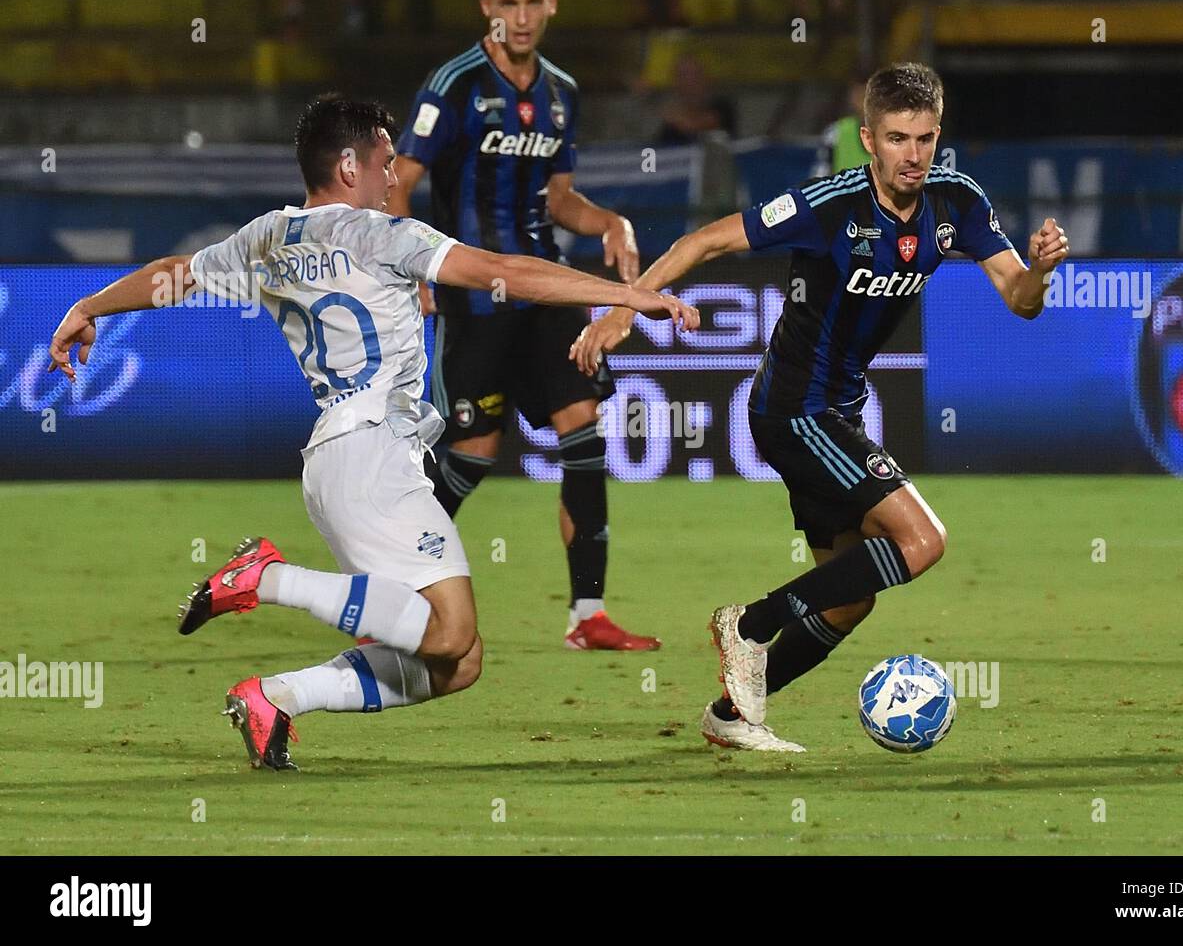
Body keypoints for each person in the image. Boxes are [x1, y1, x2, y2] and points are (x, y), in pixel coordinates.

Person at [46, 95, 696, 771]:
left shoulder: (268, 237)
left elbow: (170, 278)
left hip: (338, 459)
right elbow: (504, 273)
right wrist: (623, 294)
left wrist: (89, 306)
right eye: (387, 163)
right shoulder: (385, 236)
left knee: (458, 662)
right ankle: (266, 580)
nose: (394, 180)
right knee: (452, 633)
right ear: (350, 164)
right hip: (370, 455)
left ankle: (276, 696)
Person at [572, 63, 1069, 751]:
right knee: (922, 542)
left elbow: (1019, 299)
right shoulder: (829, 206)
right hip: (795, 409)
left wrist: (1039, 271)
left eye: (925, 139)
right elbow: (705, 240)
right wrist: (626, 310)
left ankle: (731, 714)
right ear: (869, 138)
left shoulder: (957, 202)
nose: (913, 155)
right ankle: (747, 625)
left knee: (847, 598)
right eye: (897, 139)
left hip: (839, 409)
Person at [388, 0, 662, 651]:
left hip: (546, 291)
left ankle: (587, 614)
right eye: (508, 0)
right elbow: (398, 179)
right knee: (472, 454)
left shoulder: (563, 92)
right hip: (476, 295)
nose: (521, 14)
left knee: (583, 429)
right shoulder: (454, 84)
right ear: (487, 4)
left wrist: (612, 223)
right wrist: (415, 266)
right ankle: (390, 573)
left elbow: (561, 200)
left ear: (553, 5)